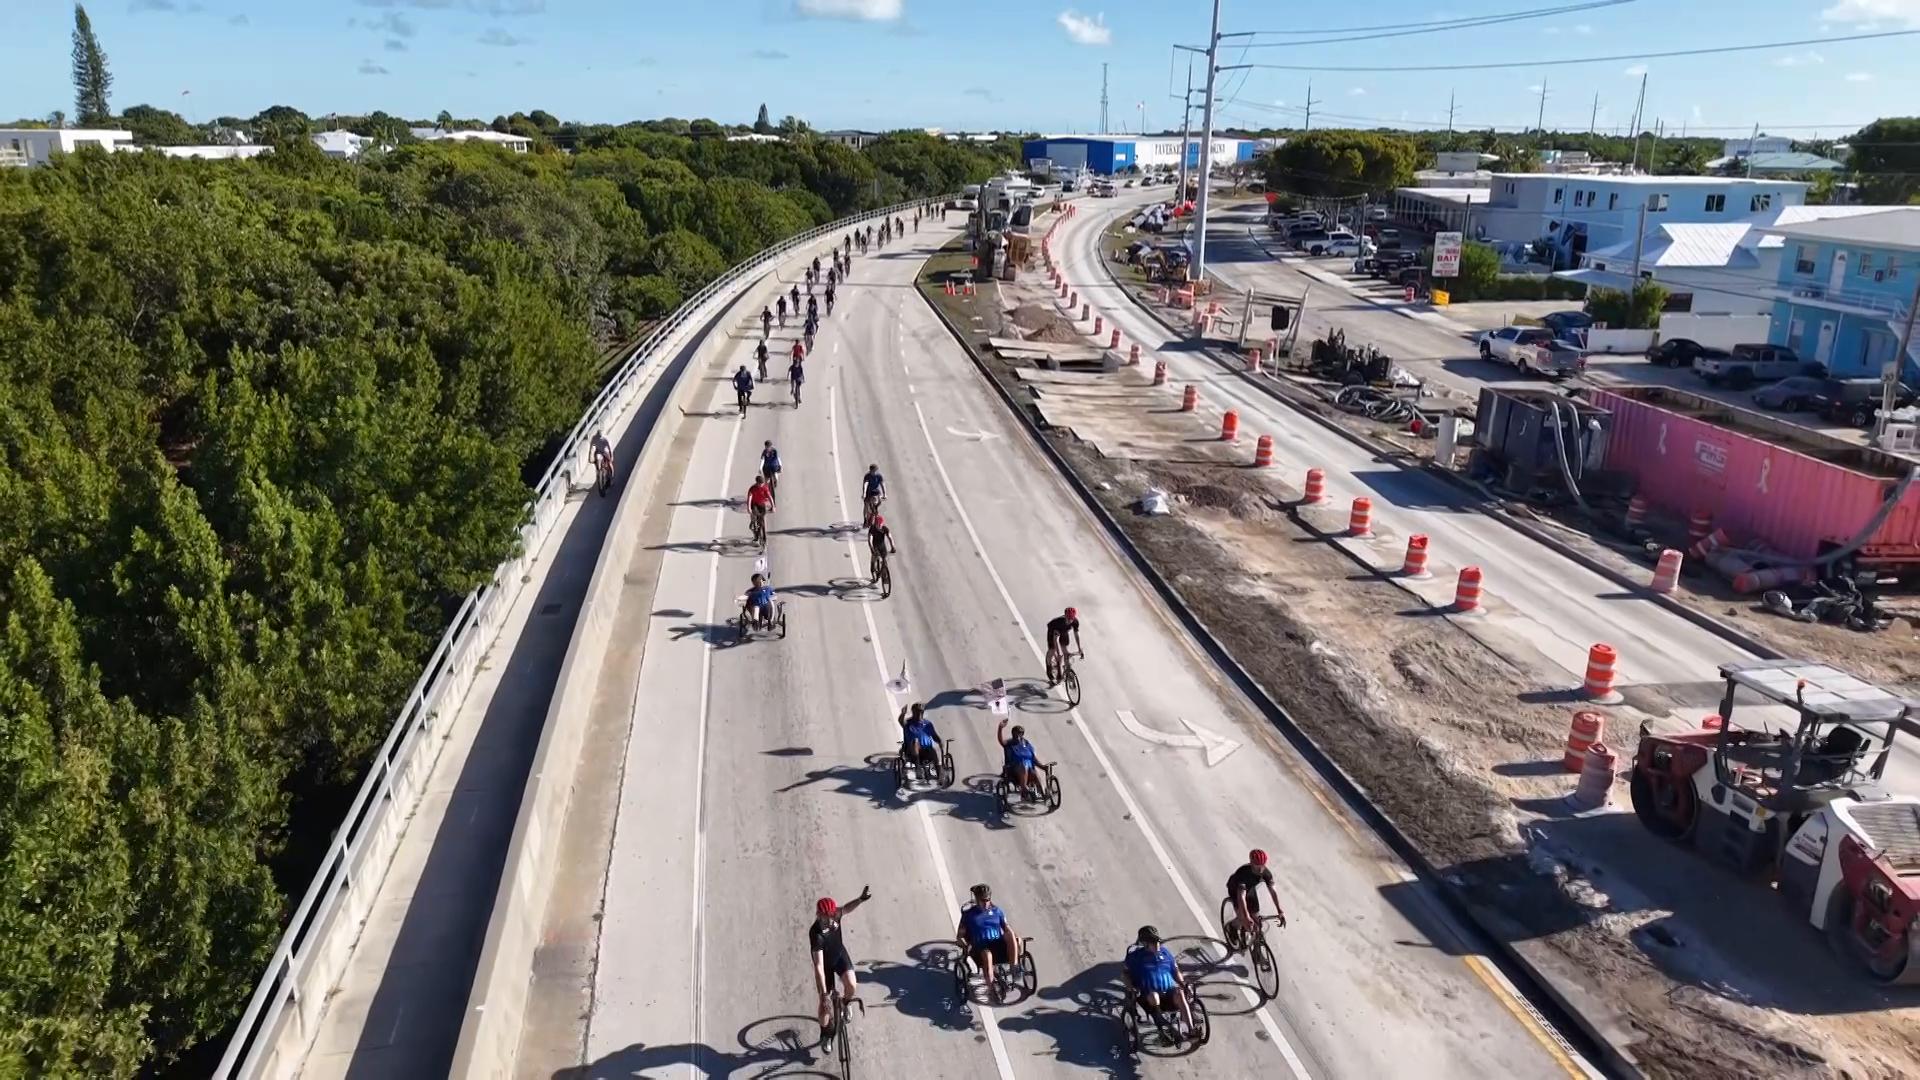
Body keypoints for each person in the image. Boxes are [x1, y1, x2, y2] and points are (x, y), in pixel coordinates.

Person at [811, 887, 873, 1041]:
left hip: (839, 956)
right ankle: (825, 1034)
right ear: (819, 915)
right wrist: (824, 995)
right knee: (824, 1009)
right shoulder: (816, 934)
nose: (830, 921)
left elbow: (846, 908)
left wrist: (860, 899)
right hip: (825, 966)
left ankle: (845, 1003)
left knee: (852, 985)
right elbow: (818, 966)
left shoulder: (835, 914)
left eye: (832, 916)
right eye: (826, 918)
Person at [1124, 926, 1195, 1040]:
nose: (1157, 944)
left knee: (1180, 992)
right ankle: (1161, 1028)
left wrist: (1182, 983)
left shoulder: (1165, 953)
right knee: (1154, 996)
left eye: (1158, 941)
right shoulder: (1136, 957)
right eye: (1153, 942)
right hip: (1147, 997)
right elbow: (1126, 973)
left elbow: (1175, 970)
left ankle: (1191, 1030)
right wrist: (1131, 987)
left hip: (1168, 995)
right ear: (1145, 944)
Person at [956, 884, 1021, 999]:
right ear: (976, 899)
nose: (986, 903)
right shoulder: (968, 915)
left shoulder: (997, 911)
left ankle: (1014, 967)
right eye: (983, 900)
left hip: (998, 944)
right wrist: (966, 946)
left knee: (1012, 935)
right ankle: (992, 989)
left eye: (988, 899)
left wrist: (1015, 938)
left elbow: (1006, 927)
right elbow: (960, 936)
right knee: (987, 955)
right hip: (981, 947)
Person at [1226, 849, 1287, 950]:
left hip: (1250, 890)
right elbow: (1241, 896)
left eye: (1262, 865)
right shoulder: (1243, 873)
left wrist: (1280, 911)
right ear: (1251, 863)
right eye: (1257, 865)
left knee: (1257, 921)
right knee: (1243, 918)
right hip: (1235, 889)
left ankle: (1257, 952)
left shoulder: (1266, 873)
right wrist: (1246, 917)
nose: (1260, 869)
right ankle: (1232, 926)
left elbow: (1272, 891)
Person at [998, 719, 1040, 801]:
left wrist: (1043, 767)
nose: (1018, 735)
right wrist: (1000, 728)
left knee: (1035, 774)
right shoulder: (1010, 743)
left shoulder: (1026, 743)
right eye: (1016, 733)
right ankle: (1024, 790)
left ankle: (1041, 793)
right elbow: (1001, 741)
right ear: (1013, 734)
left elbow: (1033, 758)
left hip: (1028, 767)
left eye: (1020, 734)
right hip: (1014, 768)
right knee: (1023, 766)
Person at [897, 702, 940, 780]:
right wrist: (903, 714)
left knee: (933, 751)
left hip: (926, 752)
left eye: (920, 712)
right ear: (913, 712)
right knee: (915, 741)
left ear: (922, 712)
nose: (918, 713)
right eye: (916, 711)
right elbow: (901, 721)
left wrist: (939, 741)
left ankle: (940, 775)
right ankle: (918, 769)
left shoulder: (928, 724)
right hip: (911, 753)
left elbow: (934, 735)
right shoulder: (908, 723)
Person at [1045, 606, 1083, 683]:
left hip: (1063, 632)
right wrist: (1058, 655)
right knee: (1052, 650)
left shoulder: (1075, 622)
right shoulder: (1058, 622)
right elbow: (1055, 640)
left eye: (1071, 619)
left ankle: (1068, 671)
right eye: (1068, 618)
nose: (1069, 621)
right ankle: (1049, 666)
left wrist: (1079, 648)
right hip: (1053, 631)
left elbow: (1076, 635)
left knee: (1066, 653)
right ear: (1065, 616)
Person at [867, 512, 895, 581]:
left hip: (875, 547)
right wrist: (893, 547)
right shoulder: (885, 528)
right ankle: (884, 573)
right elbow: (890, 538)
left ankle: (874, 575)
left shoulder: (872, 528)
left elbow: (869, 539)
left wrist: (871, 548)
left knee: (873, 562)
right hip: (882, 547)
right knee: (884, 559)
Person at [746, 473, 774, 538]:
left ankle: (763, 538)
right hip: (754, 505)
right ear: (757, 483)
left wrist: (773, 506)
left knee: (762, 520)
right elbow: (749, 498)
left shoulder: (765, 487)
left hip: (761, 504)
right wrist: (749, 508)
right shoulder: (752, 488)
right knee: (754, 517)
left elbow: (769, 496)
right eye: (760, 484)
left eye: (762, 483)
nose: (762, 485)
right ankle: (754, 528)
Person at [759, 441, 783, 507]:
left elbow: (778, 459)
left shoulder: (774, 451)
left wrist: (780, 466)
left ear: (771, 446)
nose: (768, 448)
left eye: (769, 447)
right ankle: (766, 492)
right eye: (767, 447)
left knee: (776, 476)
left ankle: (775, 483)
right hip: (766, 467)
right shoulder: (764, 452)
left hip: (774, 466)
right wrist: (760, 468)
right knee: (766, 481)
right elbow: (762, 460)